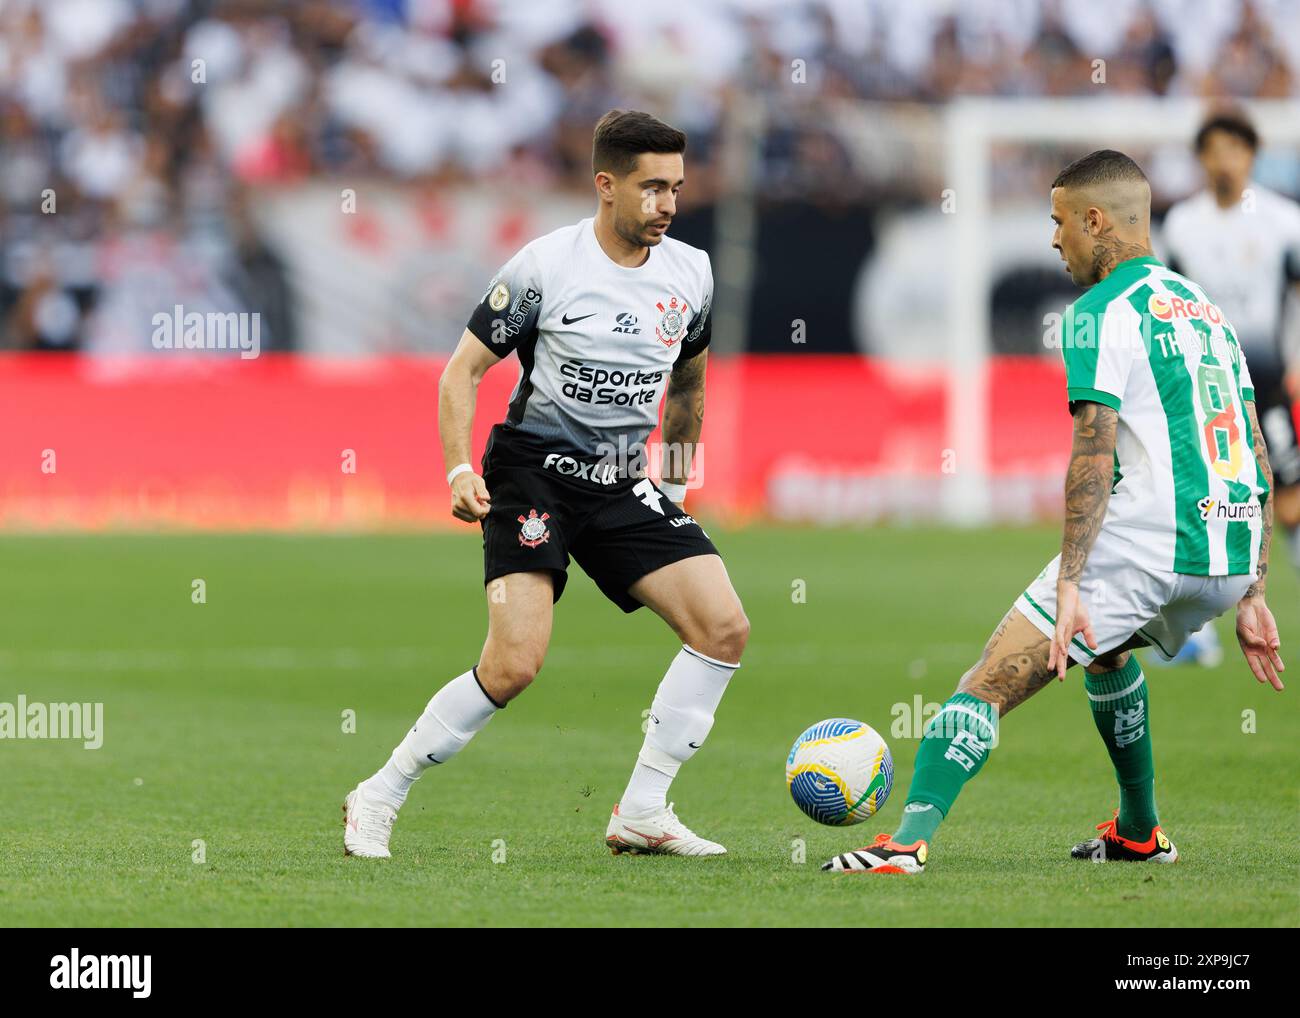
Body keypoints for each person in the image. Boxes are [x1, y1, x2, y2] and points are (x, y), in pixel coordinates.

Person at [823, 149, 1284, 875]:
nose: (1053, 239)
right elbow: (1255, 450)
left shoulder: (1099, 312)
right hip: (1225, 556)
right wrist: (1253, 591)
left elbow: (1093, 453)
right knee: (1108, 651)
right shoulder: (1209, 313)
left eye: (1059, 221)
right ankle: (1139, 832)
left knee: (987, 682)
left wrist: (1072, 580)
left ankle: (905, 843)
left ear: (1095, 221)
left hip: (1148, 545)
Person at [343, 109, 748, 859]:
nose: (667, 203)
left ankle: (643, 810)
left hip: (622, 479)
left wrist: (675, 494)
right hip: (533, 473)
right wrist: (458, 469)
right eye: (651, 187)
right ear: (606, 185)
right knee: (514, 665)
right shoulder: (545, 267)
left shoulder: (691, 272)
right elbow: (462, 372)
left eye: (675, 188)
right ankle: (380, 792)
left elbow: (689, 389)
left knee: (724, 628)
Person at [1159, 111, 1300, 668]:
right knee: (1206, 501)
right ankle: (1199, 635)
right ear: (1201, 158)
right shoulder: (1182, 224)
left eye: (1235, 149)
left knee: (1289, 502)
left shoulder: (1284, 220)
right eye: (1215, 150)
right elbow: (1167, 302)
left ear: (1252, 155)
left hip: (1266, 381)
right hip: (1202, 383)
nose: (1225, 160)